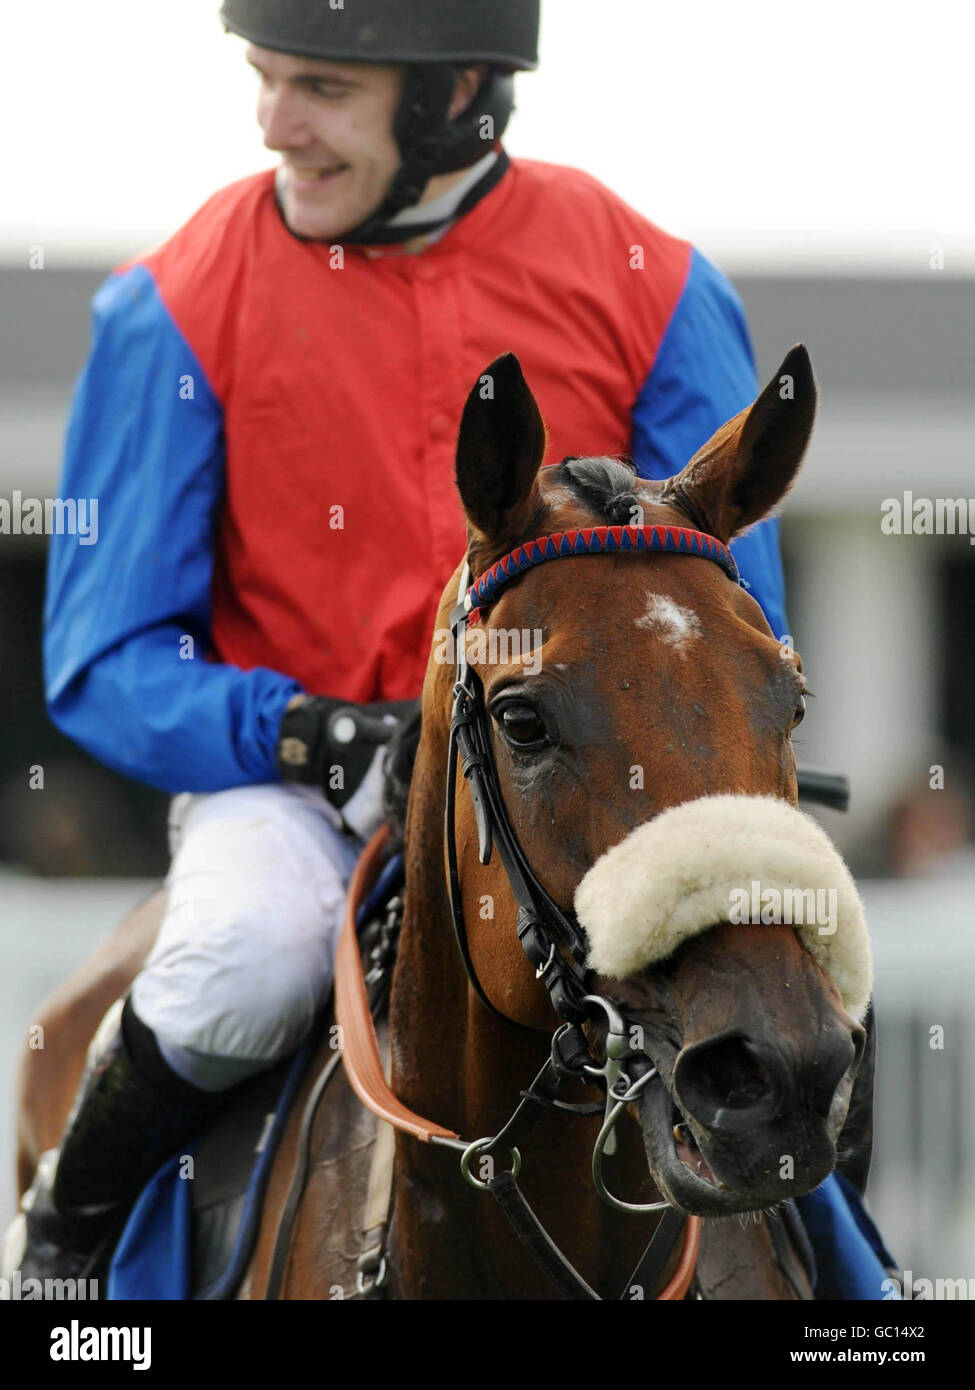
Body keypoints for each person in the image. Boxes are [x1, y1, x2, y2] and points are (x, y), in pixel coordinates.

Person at [7, 0, 788, 1285]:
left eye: (318, 88)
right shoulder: (172, 305)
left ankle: (863, 1297)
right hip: (296, 798)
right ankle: (60, 1261)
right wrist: (309, 733)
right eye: (264, 80)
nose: (276, 126)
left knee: (788, 1009)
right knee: (238, 961)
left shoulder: (654, 279)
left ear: (450, 92)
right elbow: (101, 659)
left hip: (582, 793)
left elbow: (734, 614)